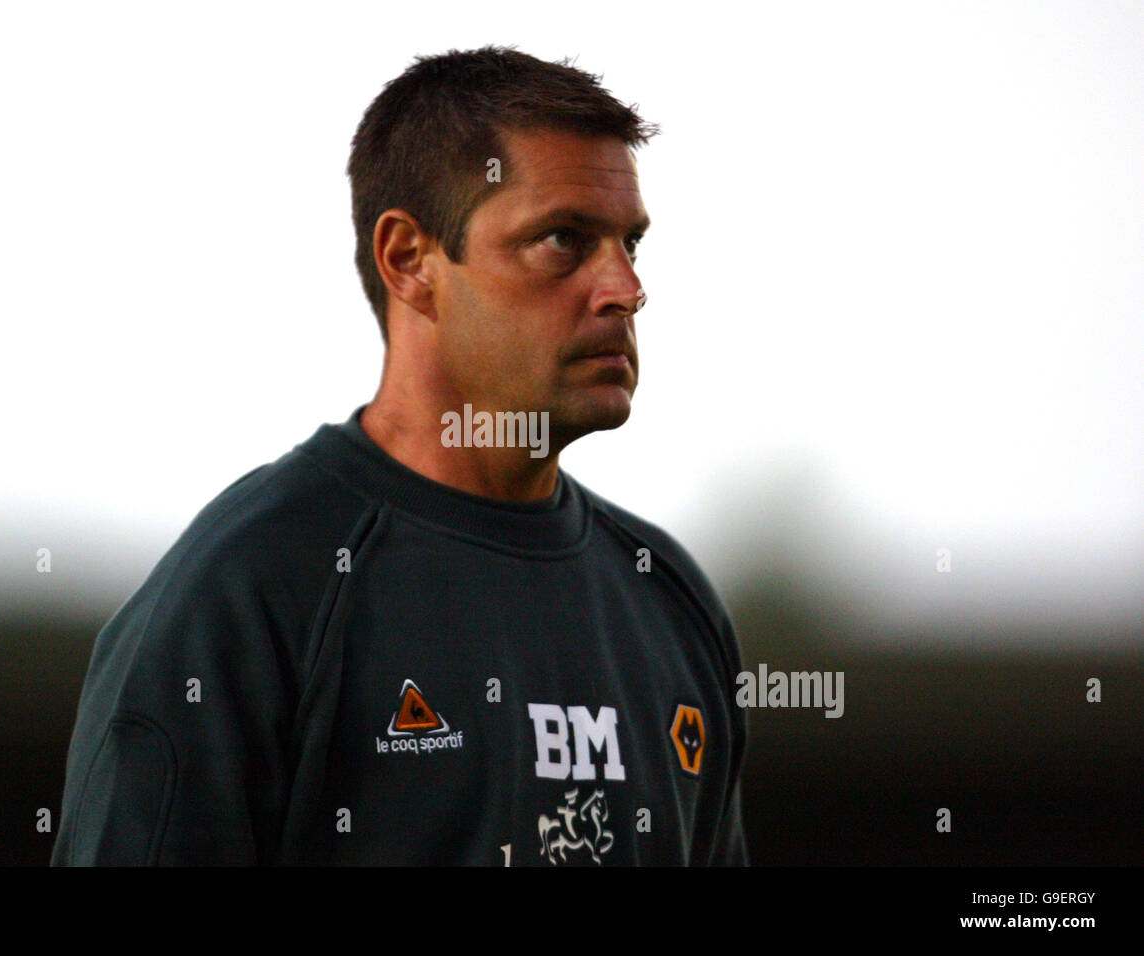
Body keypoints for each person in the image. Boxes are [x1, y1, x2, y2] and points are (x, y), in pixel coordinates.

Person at [51, 45, 747, 866]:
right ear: (409, 261)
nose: (625, 289)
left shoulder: (669, 605)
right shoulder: (249, 593)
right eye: (564, 239)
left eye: (631, 243)